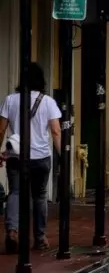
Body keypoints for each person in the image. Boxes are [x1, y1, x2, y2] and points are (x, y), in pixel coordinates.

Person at [0, 63, 61, 252]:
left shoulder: (10, 100)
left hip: (16, 156)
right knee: (40, 196)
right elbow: (56, 131)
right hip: (41, 157)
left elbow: (1, 129)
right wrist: (62, 156)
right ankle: (40, 237)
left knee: (15, 193)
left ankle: (12, 231)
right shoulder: (48, 102)